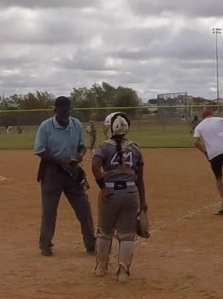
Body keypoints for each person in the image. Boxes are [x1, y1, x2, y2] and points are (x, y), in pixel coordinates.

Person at [33, 96, 95, 257]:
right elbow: (39, 150)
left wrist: (80, 155)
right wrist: (59, 162)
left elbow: (82, 146)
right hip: (52, 172)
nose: (65, 115)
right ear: (56, 111)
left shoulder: (76, 124)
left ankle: (91, 243)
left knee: (84, 207)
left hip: (72, 171)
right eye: (62, 112)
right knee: (49, 210)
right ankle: (45, 244)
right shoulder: (46, 126)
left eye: (68, 111)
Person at [91, 112, 147, 283]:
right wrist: (143, 202)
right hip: (131, 194)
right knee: (127, 235)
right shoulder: (135, 148)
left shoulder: (103, 147)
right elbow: (140, 178)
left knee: (105, 232)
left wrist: (103, 187)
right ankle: (123, 271)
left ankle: (101, 267)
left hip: (110, 193)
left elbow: (94, 165)